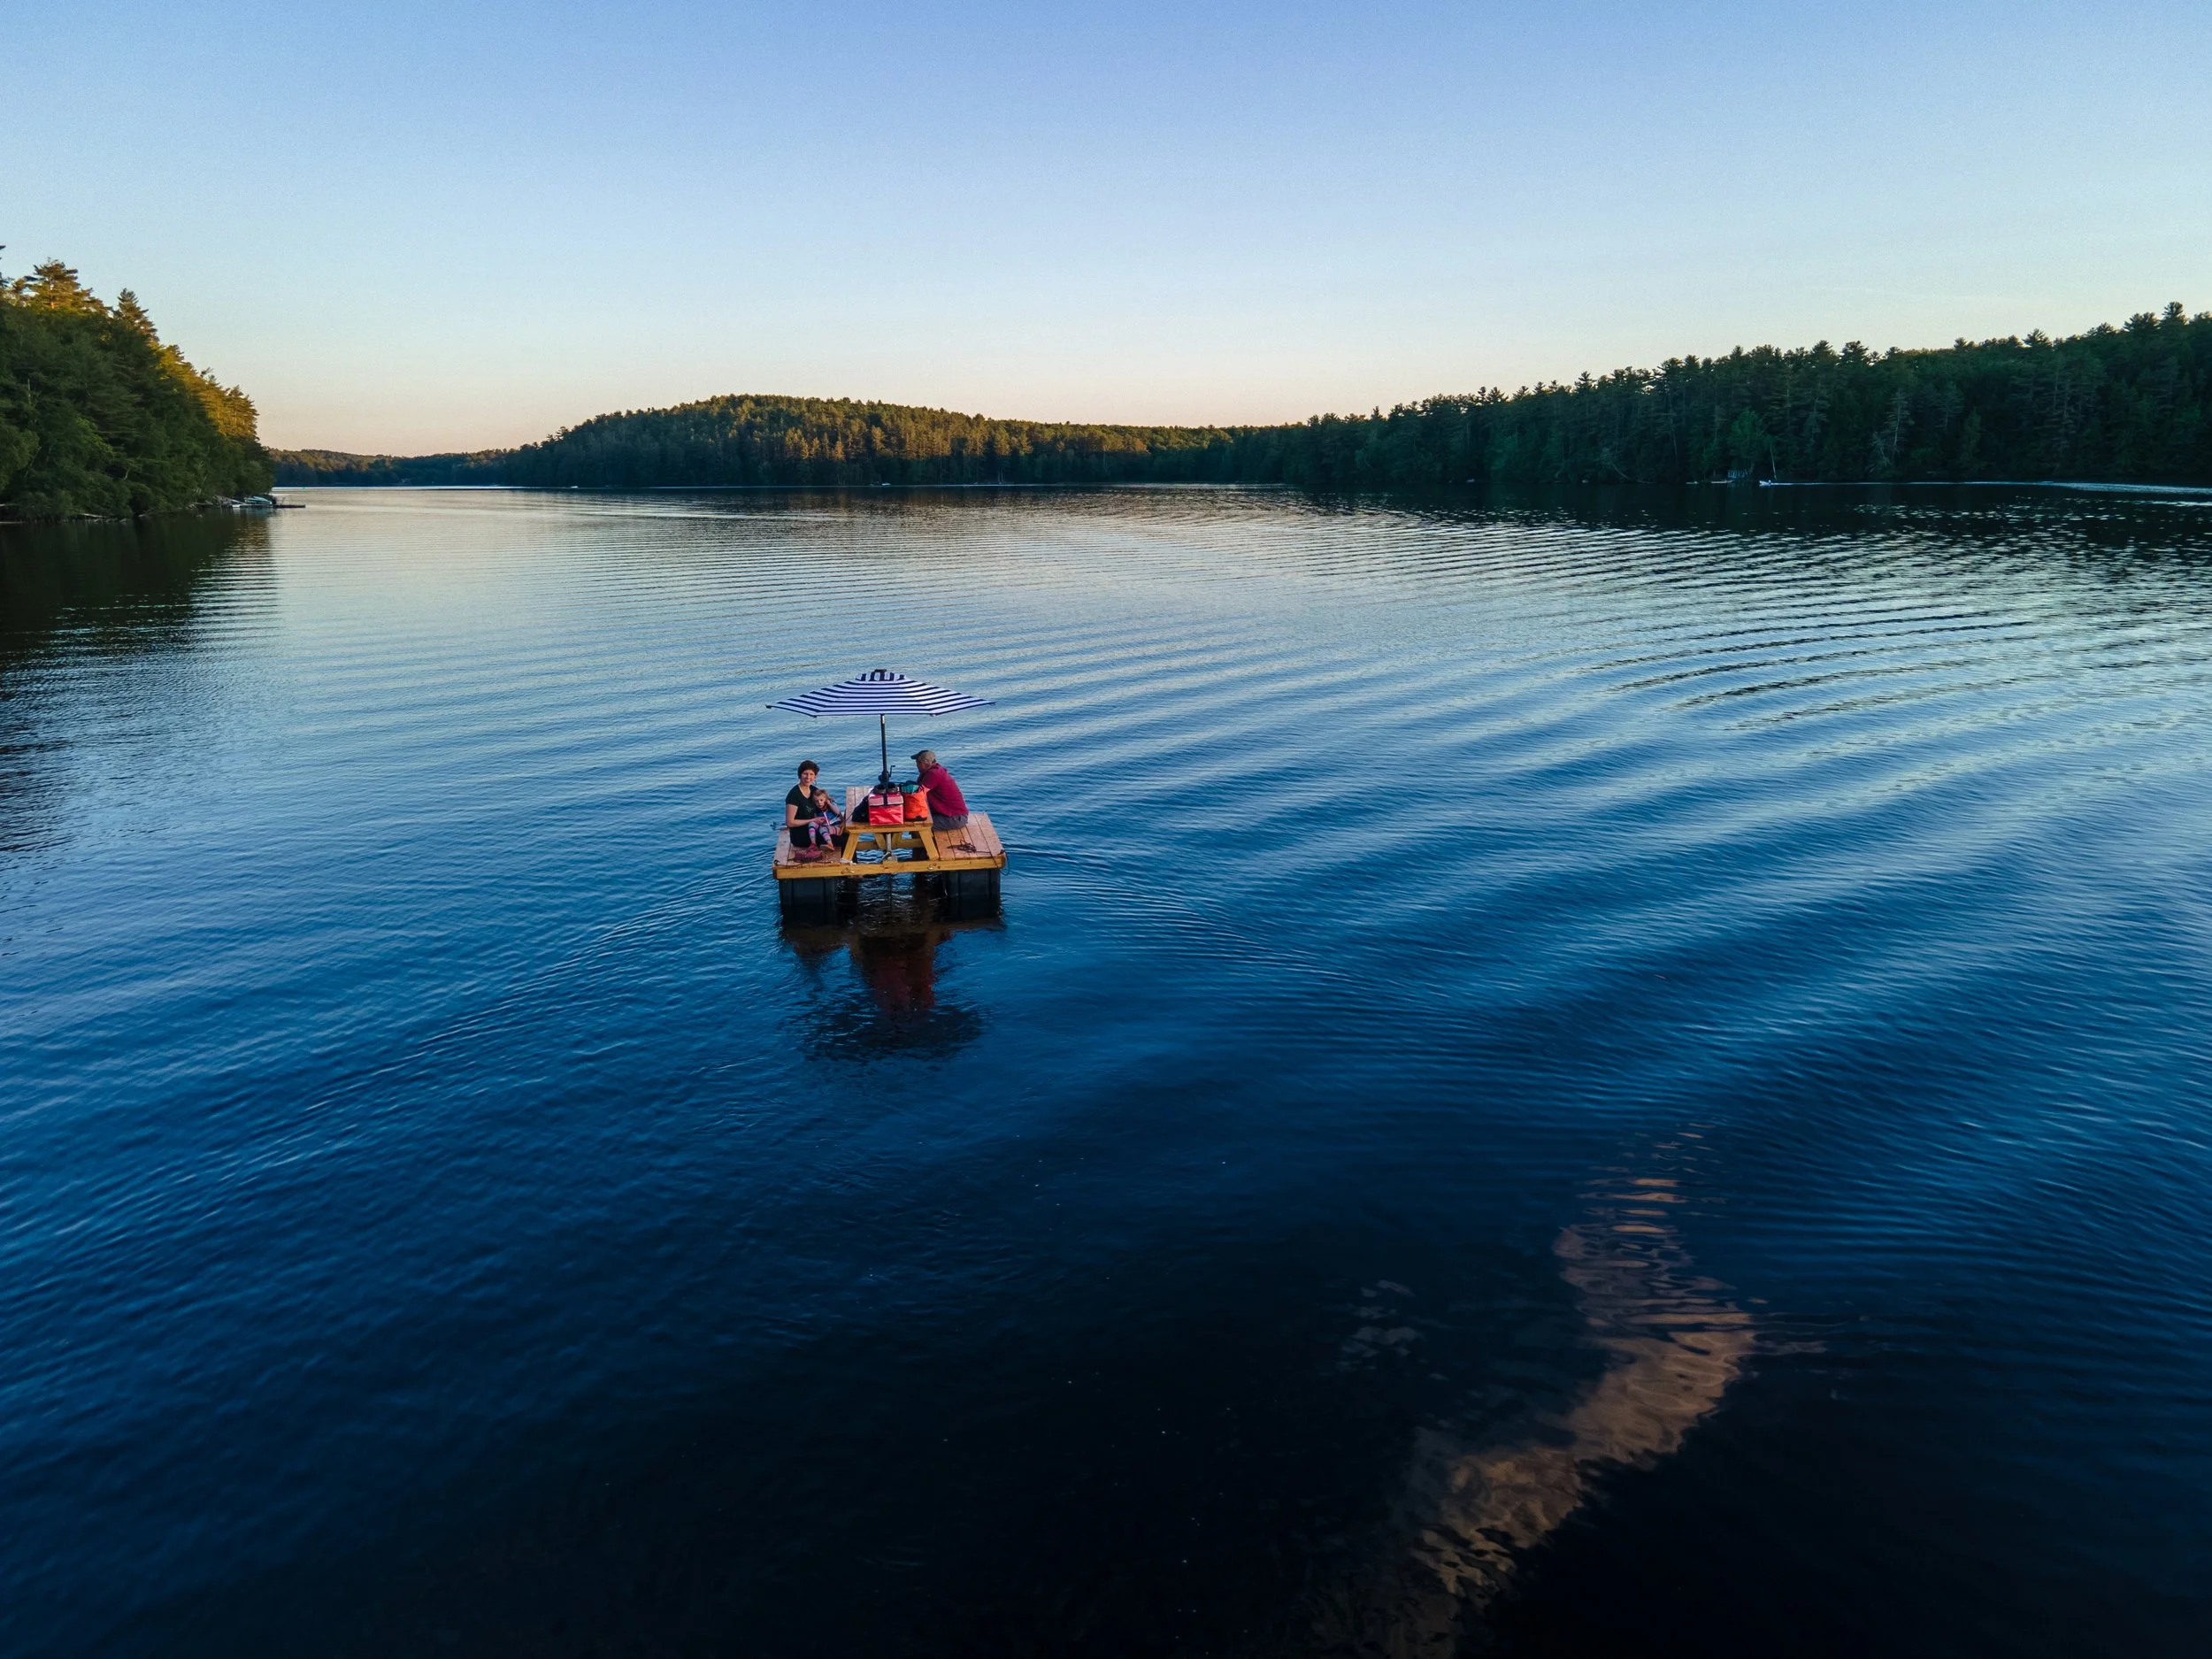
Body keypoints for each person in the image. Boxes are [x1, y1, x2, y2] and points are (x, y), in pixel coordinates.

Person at [784, 761, 842, 859]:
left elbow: (831, 809)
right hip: (801, 834)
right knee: (842, 840)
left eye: (811, 774)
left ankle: (851, 865)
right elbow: (790, 822)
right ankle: (851, 868)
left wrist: (828, 802)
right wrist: (812, 820)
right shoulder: (794, 795)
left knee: (845, 834)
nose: (808, 777)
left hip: (816, 828)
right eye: (805, 774)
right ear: (800, 774)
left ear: (816, 776)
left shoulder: (814, 790)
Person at [910, 749, 968, 831]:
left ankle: (923, 843)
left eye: (918, 763)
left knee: (917, 825)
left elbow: (919, 795)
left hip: (955, 818)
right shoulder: (930, 771)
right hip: (948, 814)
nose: (917, 765)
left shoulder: (934, 774)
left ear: (925, 764)